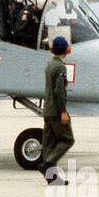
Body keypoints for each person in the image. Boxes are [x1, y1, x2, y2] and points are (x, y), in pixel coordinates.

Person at [41, 35, 74, 185]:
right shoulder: (60, 67)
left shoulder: (49, 64)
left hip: (47, 110)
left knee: (49, 144)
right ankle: (47, 164)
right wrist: (63, 111)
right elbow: (59, 91)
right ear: (66, 49)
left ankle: (52, 178)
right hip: (55, 112)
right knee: (67, 140)